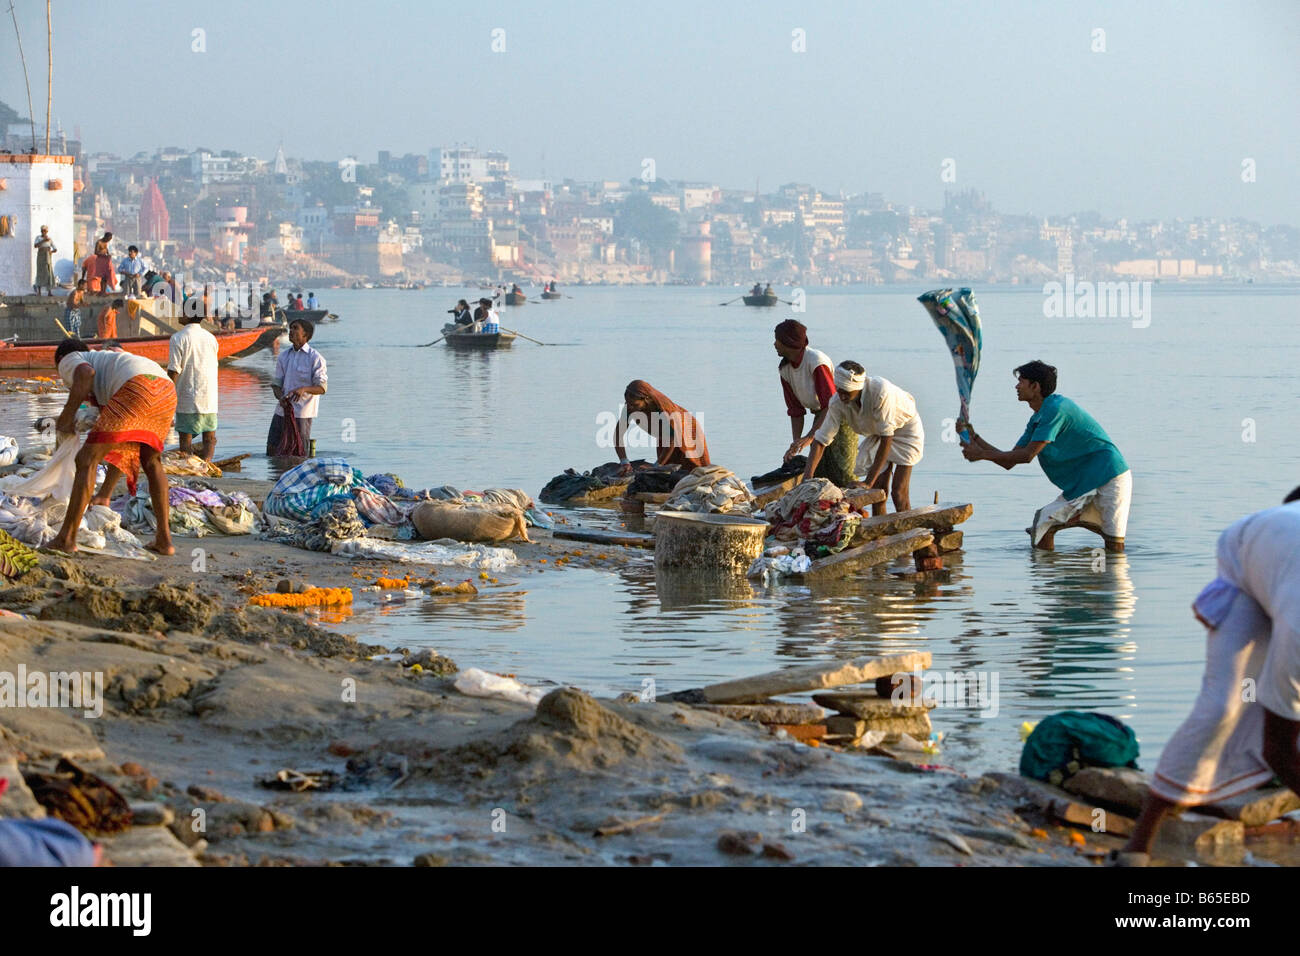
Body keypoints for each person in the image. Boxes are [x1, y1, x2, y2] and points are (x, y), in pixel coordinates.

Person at [1115, 488, 1300, 866]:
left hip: (1282, 554)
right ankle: (1139, 845)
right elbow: (1277, 747)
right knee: (1223, 707)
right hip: (1243, 556)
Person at [960, 359, 1131, 552]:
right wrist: (974, 437)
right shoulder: (1038, 418)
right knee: (1042, 526)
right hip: (1085, 483)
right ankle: (1050, 576)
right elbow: (1009, 460)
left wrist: (981, 454)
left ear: (1035, 386)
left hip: (1109, 475)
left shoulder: (1055, 409)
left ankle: (1050, 570)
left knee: (1113, 545)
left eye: (1021, 381)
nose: (1016, 386)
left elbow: (1027, 455)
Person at [49, 339, 176, 556]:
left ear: (60, 360)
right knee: (151, 461)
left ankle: (66, 538)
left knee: (86, 460)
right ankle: (164, 541)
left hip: (136, 386)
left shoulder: (70, 358)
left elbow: (85, 374)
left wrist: (66, 416)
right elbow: (117, 438)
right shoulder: (109, 361)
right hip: (166, 390)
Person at [802, 361, 924, 514]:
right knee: (878, 492)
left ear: (858, 388)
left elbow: (887, 441)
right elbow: (821, 440)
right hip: (879, 434)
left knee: (898, 492)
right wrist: (807, 479)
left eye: (847, 391)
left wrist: (867, 482)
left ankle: (909, 532)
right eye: (839, 390)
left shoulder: (880, 392)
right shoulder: (837, 402)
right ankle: (881, 535)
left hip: (905, 429)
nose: (842, 395)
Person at [614, 380, 710, 475]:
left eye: (635, 405)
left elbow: (672, 439)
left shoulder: (664, 409)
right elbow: (618, 435)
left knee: (694, 468)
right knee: (667, 468)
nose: (630, 407)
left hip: (687, 430)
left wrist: (656, 466)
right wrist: (624, 462)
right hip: (665, 436)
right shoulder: (629, 407)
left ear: (646, 399)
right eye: (627, 403)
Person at [775, 319, 836, 465]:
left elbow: (831, 404)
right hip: (821, 417)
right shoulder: (785, 369)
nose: (775, 344)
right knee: (819, 468)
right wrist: (796, 444)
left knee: (841, 469)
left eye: (778, 340)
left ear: (789, 343)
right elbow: (796, 411)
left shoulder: (815, 362)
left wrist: (809, 437)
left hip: (839, 416)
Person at [266, 318, 327, 456]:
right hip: (282, 410)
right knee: (272, 447)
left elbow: (322, 388)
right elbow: (277, 385)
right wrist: (280, 396)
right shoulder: (284, 356)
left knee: (299, 451)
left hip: (302, 412)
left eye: (295, 328)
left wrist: (303, 389)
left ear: (305, 335)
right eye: (291, 328)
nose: (291, 331)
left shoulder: (315, 358)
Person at [168, 312, 219, 461]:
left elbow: (174, 370)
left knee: (186, 438)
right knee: (209, 436)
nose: (178, 314)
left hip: (187, 394)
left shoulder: (178, 338)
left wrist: (167, 392)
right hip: (209, 395)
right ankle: (207, 464)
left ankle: (188, 462)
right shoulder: (211, 338)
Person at [33, 226, 57, 296]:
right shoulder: (38, 238)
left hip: (47, 256)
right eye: (42, 231)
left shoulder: (49, 239)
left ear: (47, 232)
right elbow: (35, 245)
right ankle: (39, 291)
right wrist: (43, 240)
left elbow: (55, 248)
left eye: (45, 231)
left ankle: (49, 292)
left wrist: (51, 252)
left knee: (48, 272)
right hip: (40, 256)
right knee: (40, 272)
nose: (44, 232)